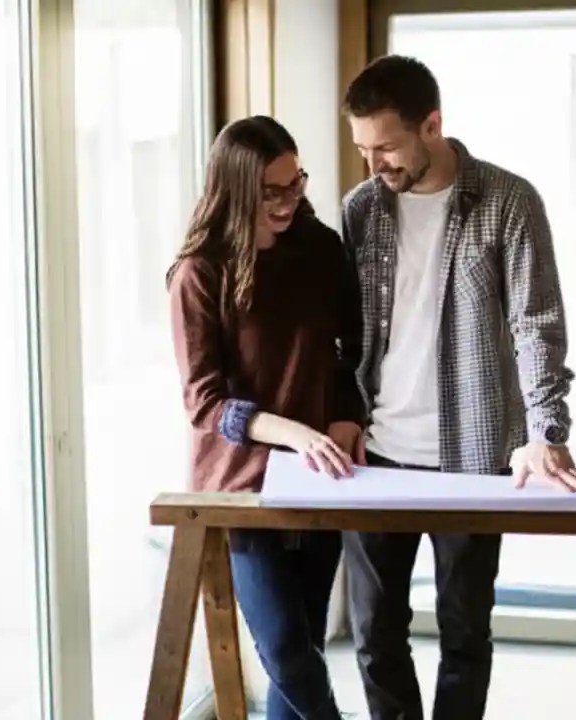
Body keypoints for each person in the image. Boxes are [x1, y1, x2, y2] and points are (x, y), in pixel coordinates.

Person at [335, 55, 576, 719]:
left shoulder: (509, 202)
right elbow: (341, 338)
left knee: (464, 632)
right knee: (374, 633)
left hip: (474, 459)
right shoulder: (361, 210)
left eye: (388, 147)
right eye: (363, 149)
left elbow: (537, 326)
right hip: (378, 457)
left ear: (433, 125)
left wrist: (546, 433)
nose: (375, 165)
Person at [167, 115, 366, 720]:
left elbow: (349, 355)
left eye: (295, 184)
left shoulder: (321, 249)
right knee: (283, 649)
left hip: (317, 478)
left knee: (301, 648)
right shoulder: (199, 272)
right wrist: (291, 433)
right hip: (242, 487)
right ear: (235, 189)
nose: (287, 202)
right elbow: (204, 401)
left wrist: (345, 418)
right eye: (271, 192)